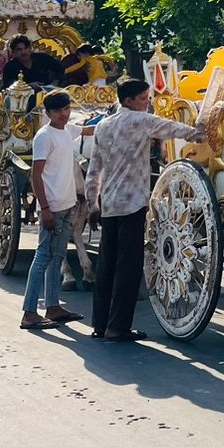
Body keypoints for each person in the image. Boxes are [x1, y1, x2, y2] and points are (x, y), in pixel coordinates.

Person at [85, 77, 211, 341]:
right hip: (132, 204)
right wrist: (201, 132)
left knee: (106, 265)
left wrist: (92, 202)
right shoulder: (140, 120)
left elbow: (94, 169)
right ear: (129, 100)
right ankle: (117, 327)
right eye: (143, 99)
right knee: (128, 267)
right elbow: (173, 129)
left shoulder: (103, 126)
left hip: (109, 204)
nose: (147, 103)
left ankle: (100, 324)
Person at [21, 90, 89, 330]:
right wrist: (45, 209)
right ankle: (29, 313)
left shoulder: (68, 131)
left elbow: (90, 130)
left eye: (66, 109)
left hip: (68, 205)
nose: (64, 114)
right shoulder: (44, 136)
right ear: (47, 113)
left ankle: (53, 307)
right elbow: (36, 175)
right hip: (52, 207)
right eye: (58, 110)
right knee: (42, 257)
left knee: (58, 257)